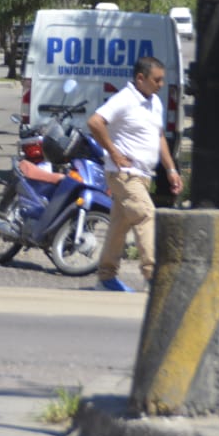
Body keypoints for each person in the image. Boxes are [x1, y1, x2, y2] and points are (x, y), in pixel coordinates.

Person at [87, 56, 183, 292]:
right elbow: (95, 122)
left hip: (143, 175)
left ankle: (106, 277)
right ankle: (153, 276)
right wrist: (114, 153)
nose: (161, 85)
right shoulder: (124, 99)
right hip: (124, 175)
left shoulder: (155, 102)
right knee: (146, 215)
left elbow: (159, 136)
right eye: (156, 80)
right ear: (140, 78)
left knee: (120, 225)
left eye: (162, 80)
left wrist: (170, 169)